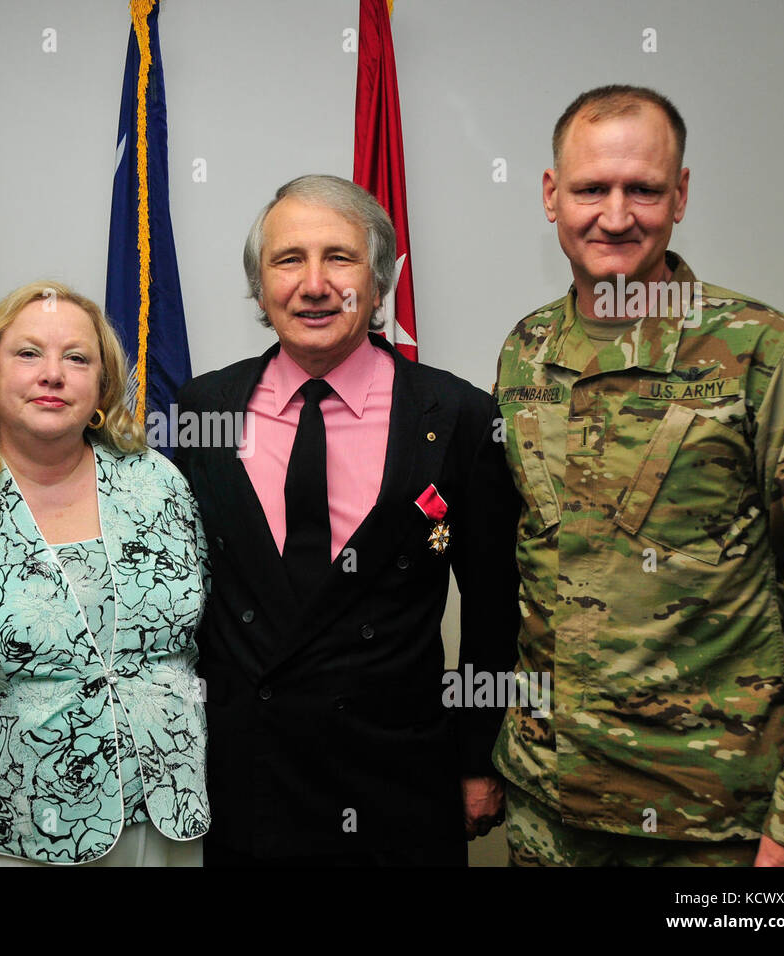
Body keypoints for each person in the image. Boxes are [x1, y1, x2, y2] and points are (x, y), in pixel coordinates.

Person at [494, 85, 784, 866]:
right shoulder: (525, 351)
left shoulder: (766, 355)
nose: (615, 216)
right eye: (591, 188)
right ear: (552, 197)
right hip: (548, 808)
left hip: (712, 822)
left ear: (680, 195)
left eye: (643, 190)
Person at [174, 174, 520, 866]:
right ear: (260, 285)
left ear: (380, 279)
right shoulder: (200, 410)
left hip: (399, 778)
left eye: (338, 257)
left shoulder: (456, 418)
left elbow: (492, 606)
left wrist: (478, 758)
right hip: (247, 779)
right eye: (288, 259)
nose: (313, 284)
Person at [0, 280, 208, 867]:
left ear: (103, 385)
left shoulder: (158, 483)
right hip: (11, 833)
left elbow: (204, 644)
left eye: (77, 358)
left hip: (168, 827)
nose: (52, 374)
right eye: (28, 353)